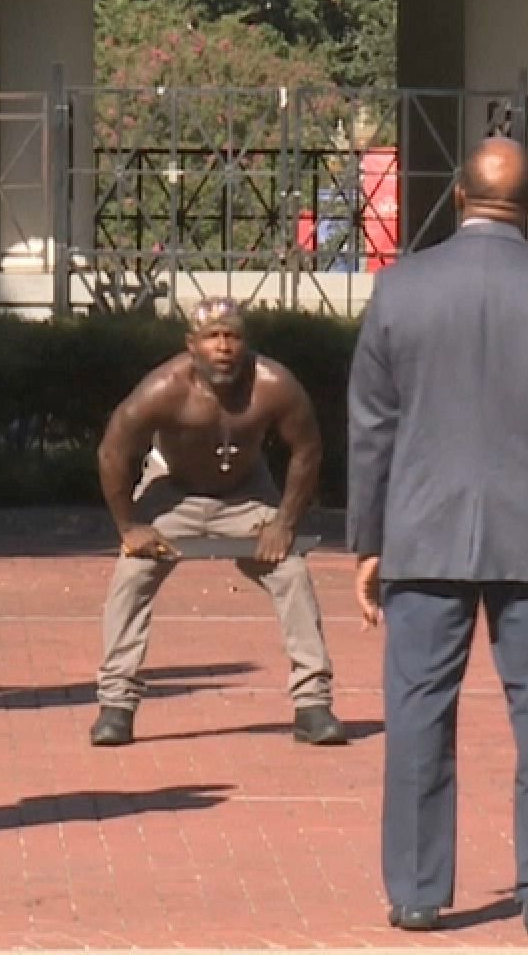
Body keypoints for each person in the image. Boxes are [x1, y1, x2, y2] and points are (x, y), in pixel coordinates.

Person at [347, 136, 528, 934]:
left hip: (423, 531)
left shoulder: (400, 290)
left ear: (459, 198)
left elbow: (372, 426)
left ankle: (419, 891)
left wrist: (368, 539)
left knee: (419, 708)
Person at [89, 298, 346, 748]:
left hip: (247, 493)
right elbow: (114, 451)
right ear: (193, 345)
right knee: (132, 575)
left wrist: (284, 522)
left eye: (233, 337)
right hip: (173, 491)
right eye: (212, 337)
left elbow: (307, 449)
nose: (224, 347)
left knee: (291, 572)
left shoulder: (273, 385)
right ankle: (116, 705)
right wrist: (129, 527)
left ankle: (313, 705)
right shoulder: (163, 389)